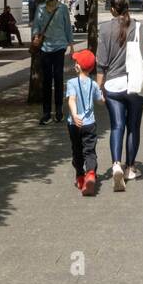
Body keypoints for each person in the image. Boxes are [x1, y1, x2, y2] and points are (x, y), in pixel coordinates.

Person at [96, 0, 143, 190]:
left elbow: (101, 63)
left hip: (113, 85)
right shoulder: (137, 26)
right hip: (135, 84)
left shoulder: (103, 29)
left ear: (112, 9)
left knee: (117, 126)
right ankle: (130, 167)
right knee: (133, 126)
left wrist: (99, 87)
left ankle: (115, 165)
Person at [32, 0, 74, 125]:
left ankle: (59, 111)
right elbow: (36, 26)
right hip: (45, 48)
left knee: (58, 78)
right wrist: (35, 37)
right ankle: (46, 113)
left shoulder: (62, 8)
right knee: (47, 81)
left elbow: (67, 26)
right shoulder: (40, 8)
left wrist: (71, 45)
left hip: (60, 47)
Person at [65, 49, 103, 195]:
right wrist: (104, 97)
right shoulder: (93, 84)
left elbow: (72, 99)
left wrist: (74, 115)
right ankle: (91, 174)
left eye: (76, 61)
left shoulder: (71, 82)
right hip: (89, 124)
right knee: (90, 151)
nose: (75, 63)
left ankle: (80, 177)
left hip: (74, 124)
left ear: (79, 66)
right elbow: (100, 101)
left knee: (77, 150)